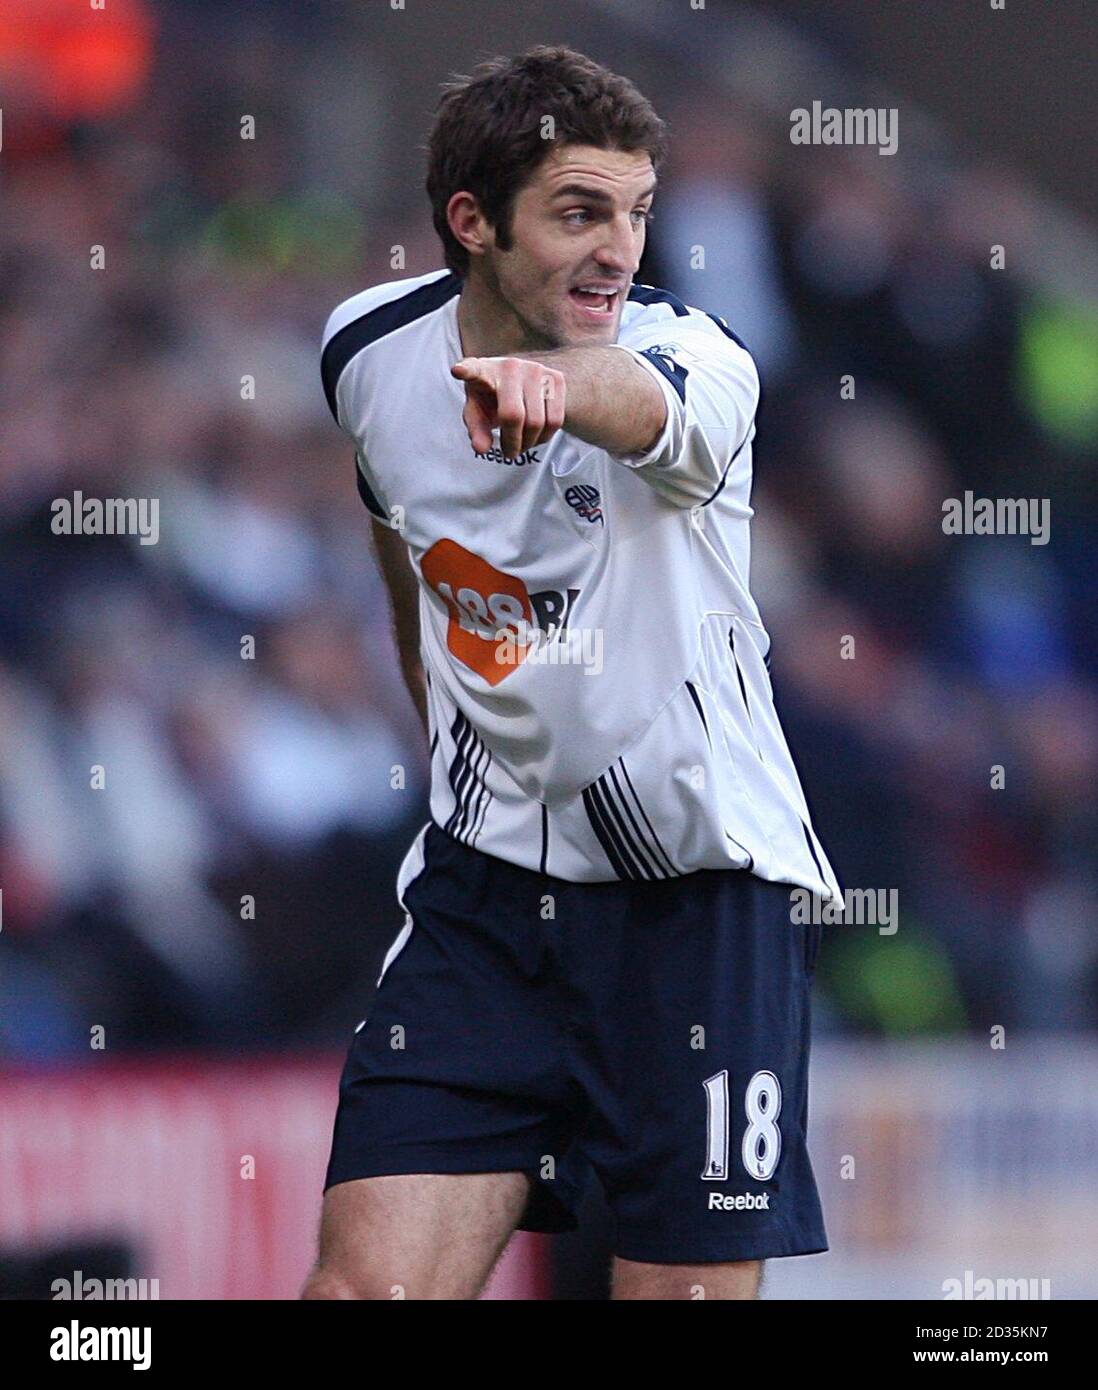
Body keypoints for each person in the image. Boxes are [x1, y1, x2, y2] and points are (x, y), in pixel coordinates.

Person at [303, 44, 841, 1302]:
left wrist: (552, 388)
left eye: (639, 212)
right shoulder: (365, 356)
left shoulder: (703, 360)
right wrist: (442, 725)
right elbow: (403, 537)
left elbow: (644, 405)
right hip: (484, 908)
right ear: (472, 222)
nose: (621, 249)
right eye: (580, 211)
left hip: (698, 908)